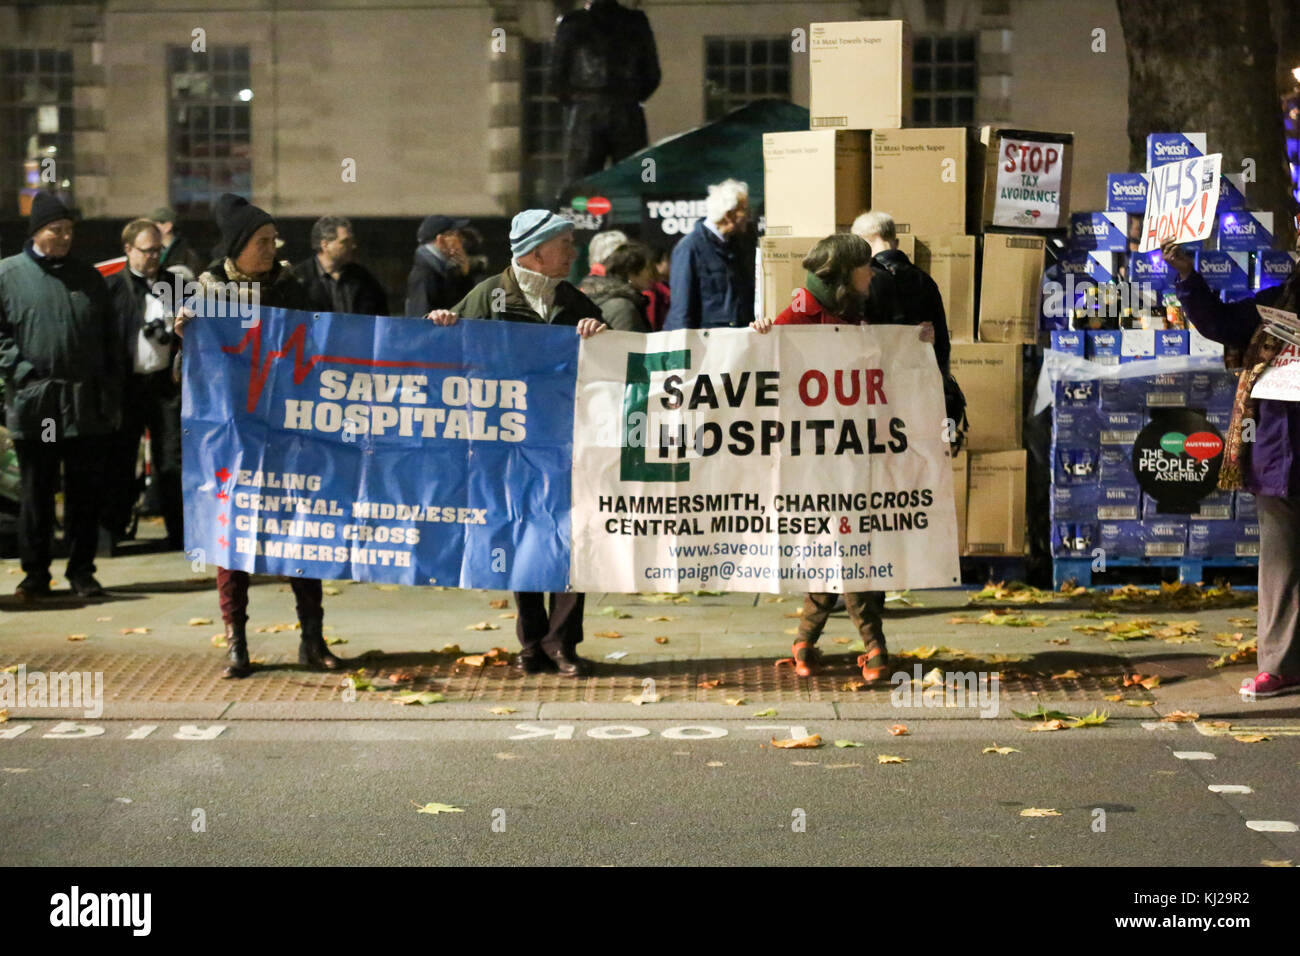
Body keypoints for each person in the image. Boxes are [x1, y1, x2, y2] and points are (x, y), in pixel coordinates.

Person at [426, 209, 607, 676]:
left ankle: (561, 643)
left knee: (571, 536)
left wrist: (600, 335)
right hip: (509, 444)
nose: (573, 251)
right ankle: (532, 643)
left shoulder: (573, 300)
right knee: (524, 534)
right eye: (565, 242)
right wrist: (443, 323)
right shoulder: (490, 296)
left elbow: (612, 359)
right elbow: (444, 351)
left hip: (567, 442)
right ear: (535, 250)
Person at [750, 233, 935, 683]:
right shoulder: (795, 318)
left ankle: (805, 642)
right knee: (852, 550)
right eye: (864, 267)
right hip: (817, 461)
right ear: (842, 273)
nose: (870, 274)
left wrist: (917, 344)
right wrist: (758, 338)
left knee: (842, 549)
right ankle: (874, 647)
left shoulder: (852, 313)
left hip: (855, 454)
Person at [175, 193, 340, 679]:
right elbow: (186, 377)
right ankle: (237, 643)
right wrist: (188, 340)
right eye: (262, 241)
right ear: (238, 245)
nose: (272, 249)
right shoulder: (207, 292)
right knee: (232, 540)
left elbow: (323, 346)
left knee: (302, 537)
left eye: (273, 240)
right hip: (234, 440)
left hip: (290, 434)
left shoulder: (292, 287)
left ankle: (312, 640)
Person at [1163, 237, 1300, 698]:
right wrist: (1187, 275)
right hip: (1279, 454)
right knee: (1280, 565)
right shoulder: (1277, 301)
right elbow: (1221, 323)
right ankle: (1279, 665)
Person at [0, 192, 121, 600]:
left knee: (85, 492)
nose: (66, 237)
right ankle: (35, 574)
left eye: (70, 230)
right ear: (37, 231)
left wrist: (107, 389)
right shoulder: (8, 275)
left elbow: (109, 337)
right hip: (38, 406)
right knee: (38, 491)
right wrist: (24, 373)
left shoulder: (88, 277)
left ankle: (82, 570)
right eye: (58, 229)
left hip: (84, 404)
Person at [104, 218, 183, 550]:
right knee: (120, 460)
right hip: (126, 387)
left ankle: (180, 533)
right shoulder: (112, 289)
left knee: (172, 460)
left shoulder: (176, 285)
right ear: (128, 250)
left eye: (158, 250)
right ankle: (112, 531)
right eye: (147, 251)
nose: (154, 257)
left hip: (166, 386)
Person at [550, 0, 660, 182]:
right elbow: (652, 74)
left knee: (581, 186)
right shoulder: (636, 22)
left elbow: (556, 78)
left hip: (585, 110)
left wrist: (577, 102)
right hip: (626, 109)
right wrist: (632, 98)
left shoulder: (572, 23)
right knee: (633, 181)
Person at [852, 210, 951, 374]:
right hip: (918, 383)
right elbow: (942, 346)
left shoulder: (864, 281)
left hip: (877, 385)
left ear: (861, 243)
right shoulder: (925, 281)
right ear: (896, 242)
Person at [663, 179, 755, 330]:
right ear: (729, 215)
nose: (748, 215)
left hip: (734, 343)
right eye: (744, 209)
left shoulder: (737, 247)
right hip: (706, 345)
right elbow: (681, 309)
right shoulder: (689, 248)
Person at [291, 215, 387, 316]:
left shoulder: (364, 279)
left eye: (352, 241)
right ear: (325, 245)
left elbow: (380, 316)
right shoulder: (299, 279)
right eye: (345, 242)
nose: (353, 246)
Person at [579, 240, 654, 332]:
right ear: (631, 271)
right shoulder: (623, 307)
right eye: (648, 268)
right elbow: (627, 344)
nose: (653, 274)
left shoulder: (616, 299)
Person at [405, 214, 471, 316]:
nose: (462, 239)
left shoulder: (445, 270)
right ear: (440, 240)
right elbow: (420, 321)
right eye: (456, 234)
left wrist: (464, 275)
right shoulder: (424, 275)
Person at [150, 205, 204, 280]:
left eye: (153, 225)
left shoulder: (187, 254)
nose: (149, 230)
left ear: (167, 227)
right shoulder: (155, 250)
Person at [642, 246, 671, 332]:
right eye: (666, 260)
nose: (670, 264)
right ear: (656, 264)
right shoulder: (652, 291)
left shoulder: (664, 287)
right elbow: (652, 321)